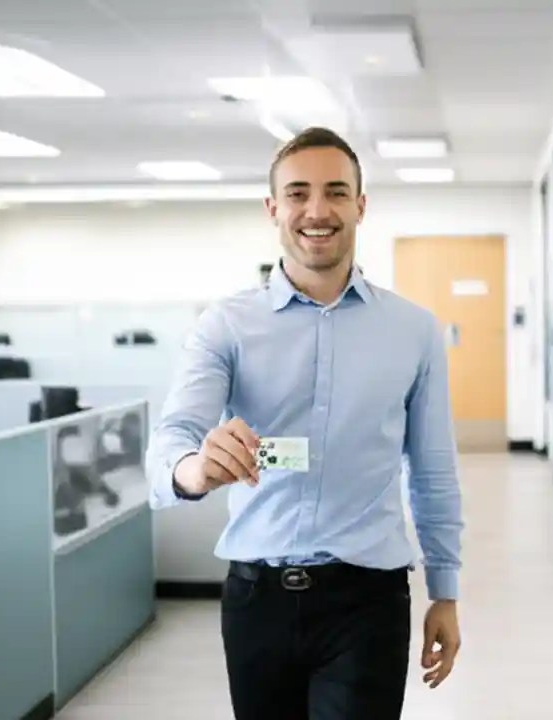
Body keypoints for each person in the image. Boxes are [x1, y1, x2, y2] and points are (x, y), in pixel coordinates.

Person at [145, 127, 463, 720]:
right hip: (256, 600)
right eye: (297, 193)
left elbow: (433, 470)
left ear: (361, 206)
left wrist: (445, 589)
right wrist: (195, 470)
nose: (317, 210)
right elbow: (170, 445)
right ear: (273, 209)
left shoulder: (413, 331)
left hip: (368, 599)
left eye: (336, 192)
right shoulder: (227, 326)